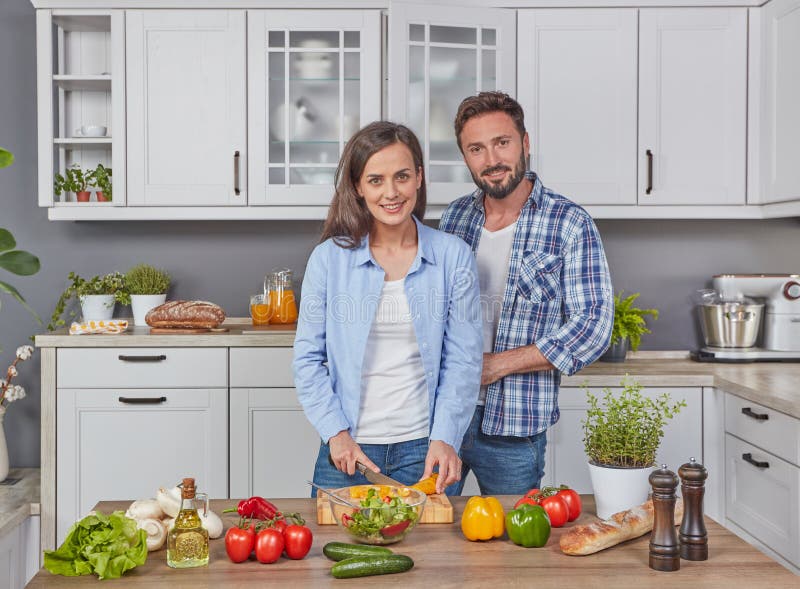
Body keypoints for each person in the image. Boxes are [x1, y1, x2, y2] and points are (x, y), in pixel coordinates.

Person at [293, 121, 482, 495]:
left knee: (428, 538)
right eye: (376, 180)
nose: (391, 192)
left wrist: (446, 437)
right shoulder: (328, 259)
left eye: (402, 176)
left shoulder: (452, 256)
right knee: (331, 536)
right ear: (358, 187)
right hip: (348, 448)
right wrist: (336, 433)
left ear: (419, 178)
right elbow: (307, 359)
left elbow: (463, 359)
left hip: (425, 448)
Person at [440, 91, 614, 495]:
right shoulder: (454, 218)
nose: (491, 159)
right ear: (465, 157)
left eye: (502, 142)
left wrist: (497, 365)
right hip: (445, 418)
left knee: (514, 533)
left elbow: (594, 326)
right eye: (476, 149)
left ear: (525, 143)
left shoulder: (569, 222)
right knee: (431, 526)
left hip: (515, 427)